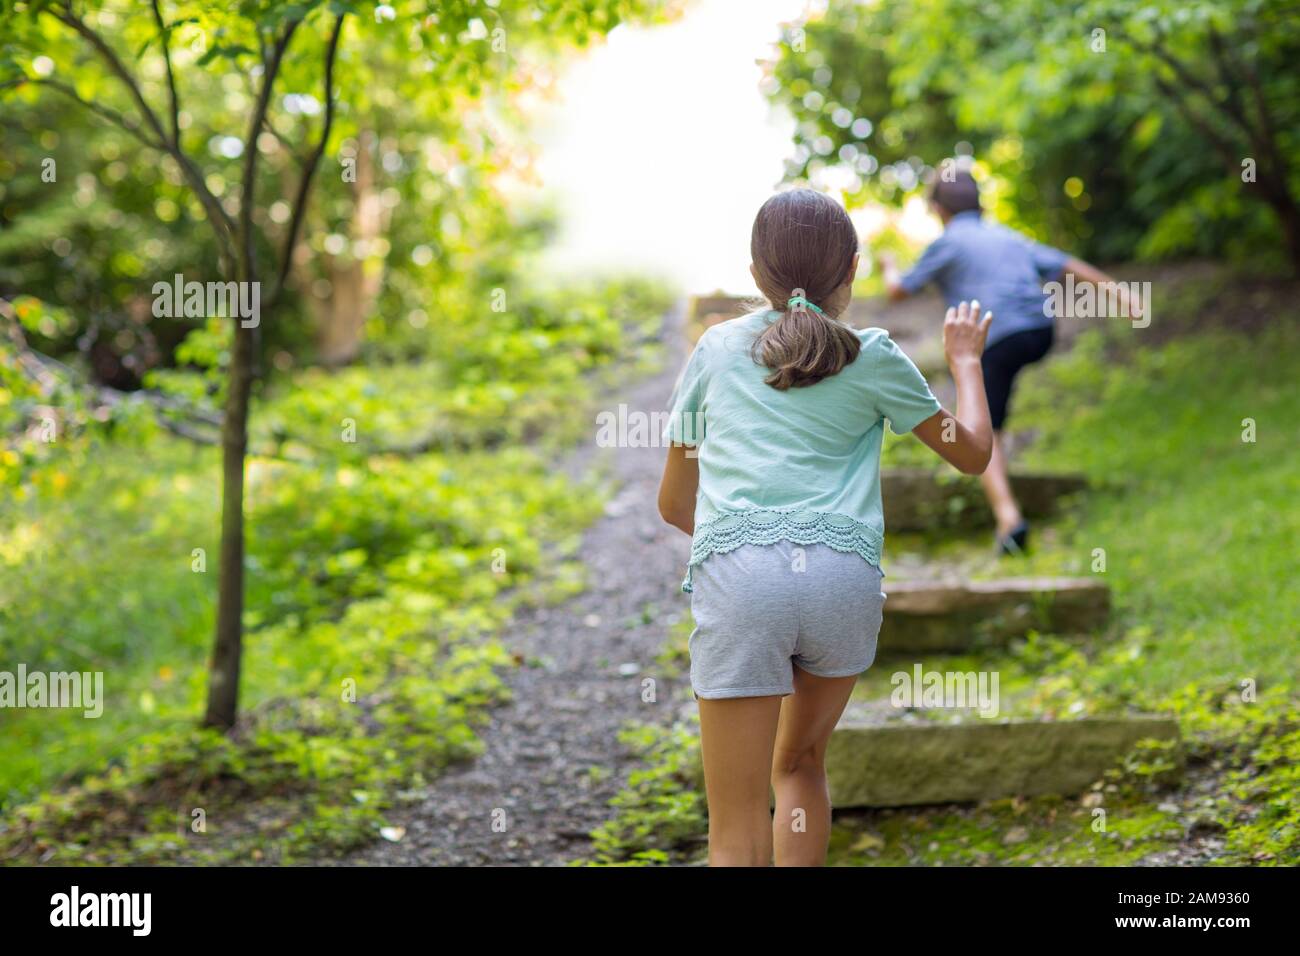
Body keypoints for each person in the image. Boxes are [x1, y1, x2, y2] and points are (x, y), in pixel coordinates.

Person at [656, 188, 993, 866]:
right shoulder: (874, 357)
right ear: (854, 270)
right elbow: (972, 453)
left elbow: (672, 503)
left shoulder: (717, 351)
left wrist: (744, 544)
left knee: (736, 825)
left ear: (756, 274)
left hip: (741, 577)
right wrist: (965, 362)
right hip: (842, 579)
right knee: (801, 764)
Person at [879, 168, 1132, 553]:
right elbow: (1067, 264)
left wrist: (887, 267)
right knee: (995, 404)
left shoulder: (947, 243)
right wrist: (1123, 296)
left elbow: (898, 292)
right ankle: (1007, 506)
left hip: (996, 336)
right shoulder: (1007, 236)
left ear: (937, 209)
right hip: (1039, 331)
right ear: (979, 202)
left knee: (982, 430)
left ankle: (1009, 520)